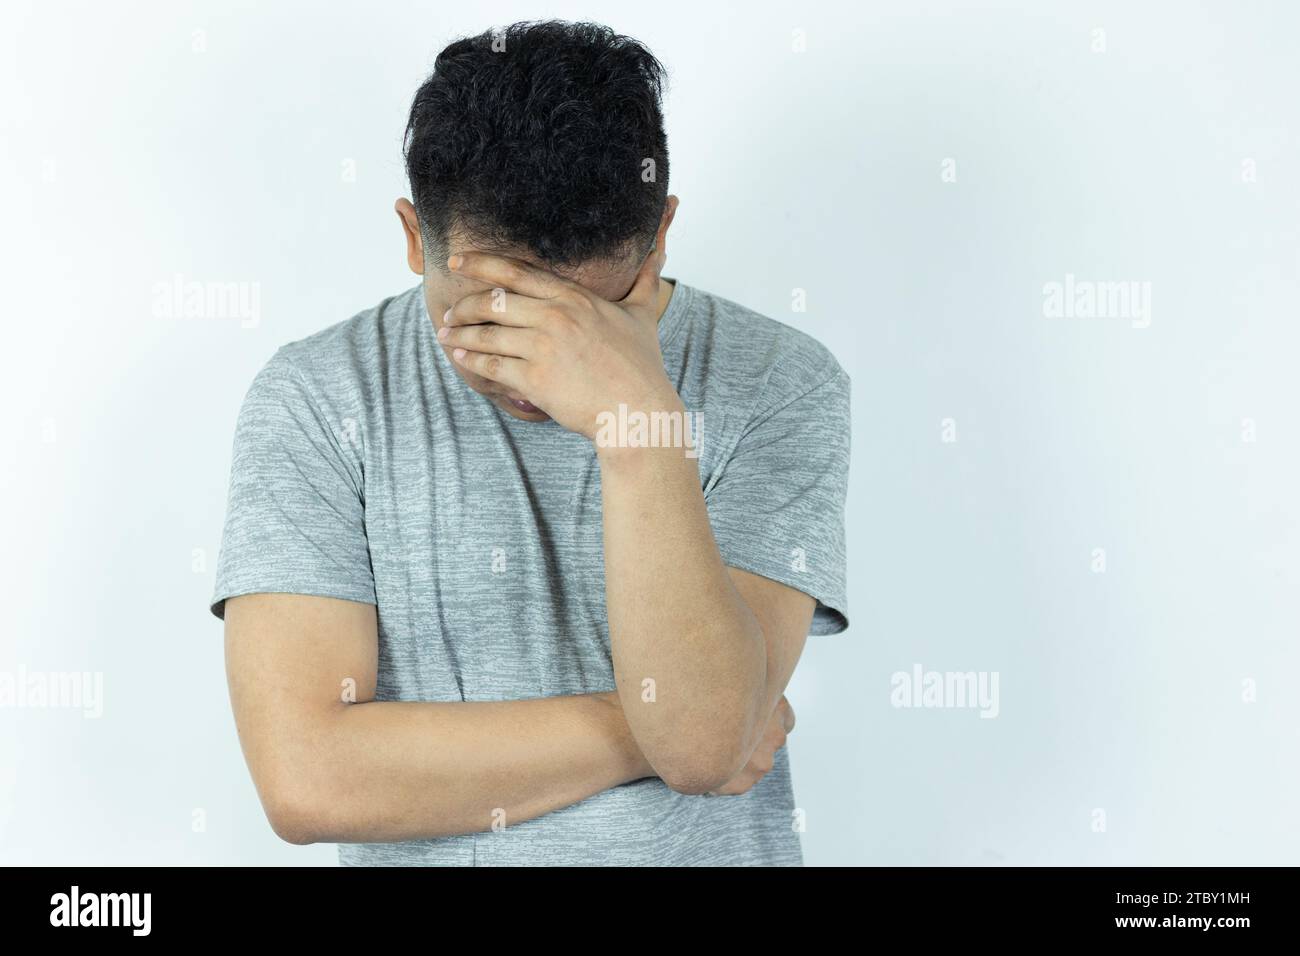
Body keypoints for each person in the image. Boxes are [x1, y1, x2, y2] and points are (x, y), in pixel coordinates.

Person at [211, 19, 850, 866]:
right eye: (491, 313)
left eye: (591, 314)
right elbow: (308, 779)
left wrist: (637, 422)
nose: (538, 367)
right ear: (415, 238)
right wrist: (650, 726)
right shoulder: (318, 397)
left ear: (659, 234)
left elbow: (698, 748)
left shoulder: (780, 380)